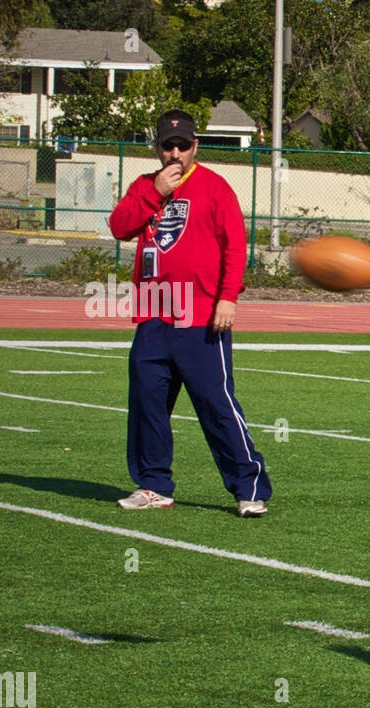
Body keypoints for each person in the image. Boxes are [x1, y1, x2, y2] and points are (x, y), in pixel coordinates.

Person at [108, 110, 271, 517]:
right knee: (147, 403)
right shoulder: (144, 186)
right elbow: (120, 227)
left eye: (183, 146)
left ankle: (249, 487)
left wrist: (228, 297)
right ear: (158, 148)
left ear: (195, 146)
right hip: (154, 315)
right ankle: (154, 485)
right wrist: (154, 193)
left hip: (200, 316)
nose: (176, 153)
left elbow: (235, 246)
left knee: (216, 405)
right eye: (169, 146)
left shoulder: (215, 188)